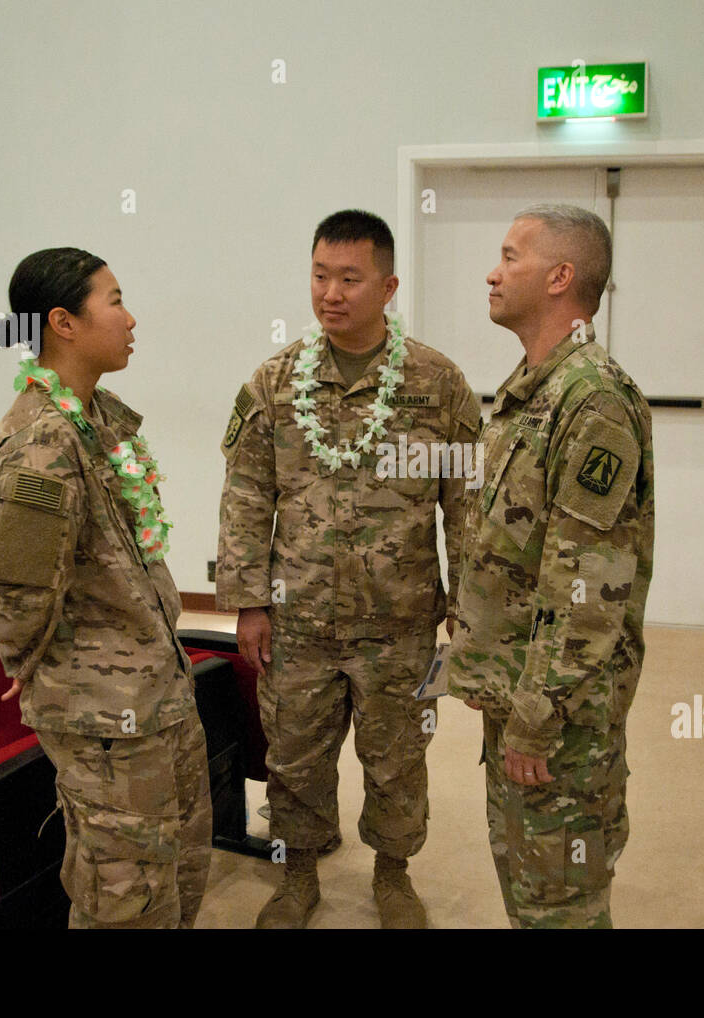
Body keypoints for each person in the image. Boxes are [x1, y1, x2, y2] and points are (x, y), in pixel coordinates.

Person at [217, 210, 481, 928]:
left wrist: (471, 605)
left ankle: (393, 875)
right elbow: (245, 496)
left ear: (388, 285)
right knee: (295, 758)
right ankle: (297, 875)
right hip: (296, 618)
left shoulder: (436, 383)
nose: (331, 293)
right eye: (319, 275)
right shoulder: (274, 384)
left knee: (397, 760)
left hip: (398, 622)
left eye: (350, 279)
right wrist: (247, 601)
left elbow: (465, 502)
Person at [0, 248, 212, 929]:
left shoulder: (97, 418)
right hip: (105, 718)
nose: (130, 318)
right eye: (114, 301)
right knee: (124, 896)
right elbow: (20, 595)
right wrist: (29, 665)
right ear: (63, 323)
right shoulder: (40, 450)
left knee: (176, 866)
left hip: (156, 692)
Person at [445, 205, 654, 928]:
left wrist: (538, 715)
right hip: (522, 695)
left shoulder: (591, 399)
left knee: (559, 902)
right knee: (529, 886)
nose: (492, 272)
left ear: (560, 276)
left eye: (510, 257)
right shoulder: (534, 388)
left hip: (560, 715)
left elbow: (588, 587)